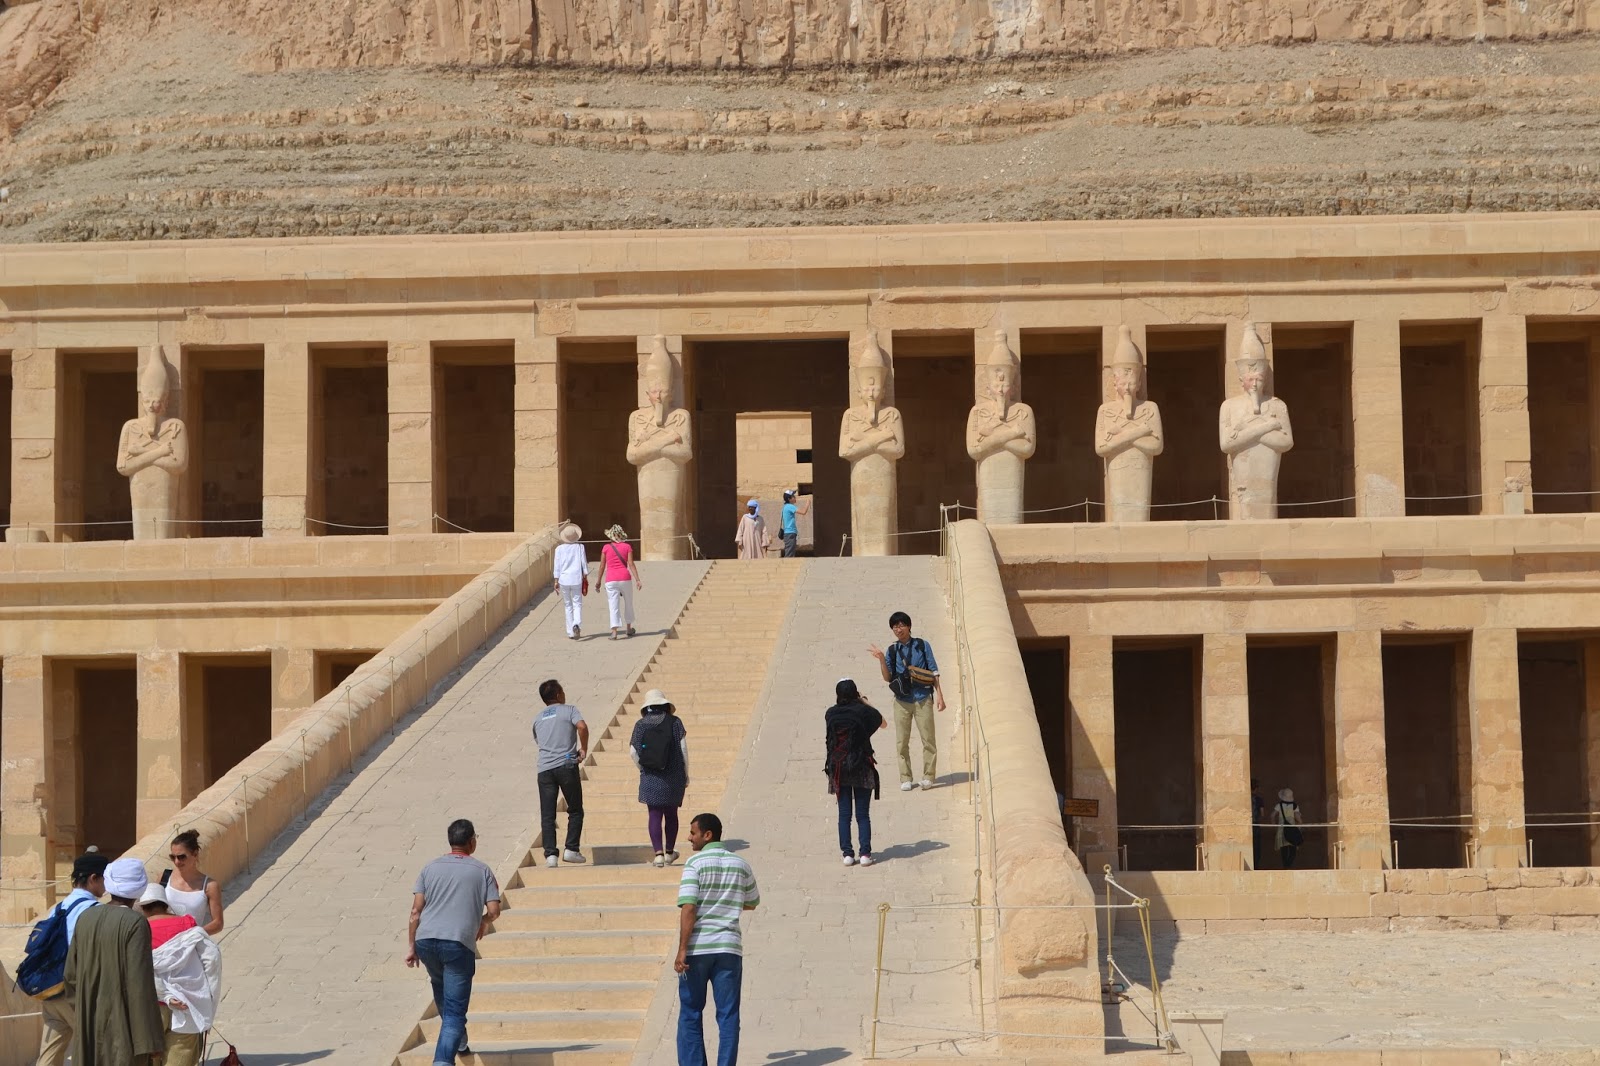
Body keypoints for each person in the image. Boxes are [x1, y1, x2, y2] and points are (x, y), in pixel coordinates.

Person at [406, 819, 502, 1066]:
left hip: (426, 941)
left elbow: (415, 911)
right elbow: (493, 910)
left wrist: (411, 947)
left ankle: (460, 1041)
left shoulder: (430, 868)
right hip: (458, 944)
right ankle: (442, 1060)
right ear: (472, 842)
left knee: (441, 987)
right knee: (455, 1013)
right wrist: (482, 922)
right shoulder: (482, 871)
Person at [675, 813, 760, 1066]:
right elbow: (752, 902)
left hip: (698, 949)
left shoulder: (695, 864)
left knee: (690, 1012)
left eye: (693, 833)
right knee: (728, 1015)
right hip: (729, 949)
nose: (689, 838)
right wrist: (727, 904)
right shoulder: (741, 864)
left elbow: (688, 907)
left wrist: (682, 949)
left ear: (707, 834)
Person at [65, 857, 164, 1066]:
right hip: (123, 1027)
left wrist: (86, 1011)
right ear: (140, 887)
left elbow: (70, 975)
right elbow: (140, 985)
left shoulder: (86, 917)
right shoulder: (135, 923)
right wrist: (150, 1040)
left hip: (89, 1025)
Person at [37, 850, 109, 1066]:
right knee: (97, 1050)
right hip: (74, 992)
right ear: (93, 878)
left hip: (51, 989)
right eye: (105, 878)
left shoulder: (59, 907)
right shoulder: (94, 910)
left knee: (50, 1054)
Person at [138, 884, 220, 1066]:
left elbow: (137, 967)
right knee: (181, 1056)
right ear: (166, 905)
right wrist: (209, 1003)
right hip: (187, 1001)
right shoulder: (187, 924)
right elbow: (211, 960)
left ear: (143, 907)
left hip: (150, 1005)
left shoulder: (139, 929)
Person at [869, 611, 947, 792]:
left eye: (901, 625)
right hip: (902, 701)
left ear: (909, 626)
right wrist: (881, 659)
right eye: (895, 626)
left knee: (928, 739)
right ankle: (905, 777)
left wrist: (940, 696)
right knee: (901, 741)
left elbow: (934, 671)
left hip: (922, 698)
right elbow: (887, 677)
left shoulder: (922, 645)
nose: (898, 629)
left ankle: (928, 776)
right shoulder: (892, 650)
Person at [825, 679, 886, 867]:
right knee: (862, 814)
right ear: (855, 693)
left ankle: (847, 854)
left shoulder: (830, 713)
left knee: (844, 814)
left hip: (839, 768)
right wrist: (863, 701)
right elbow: (882, 722)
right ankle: (865, 854)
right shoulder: (863, 711)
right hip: (861, 766)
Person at [631, 689, 691, 869]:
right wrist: (685, 774)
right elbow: (683, 750)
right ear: (664, 704)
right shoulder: (675, 722)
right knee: (671, 815)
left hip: (651, 776)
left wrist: (643, 768)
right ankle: (670, 852)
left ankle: (658, 854)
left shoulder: (640, 725)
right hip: (673, 776)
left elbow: (633, 752)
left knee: (654, 814)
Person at [535, 679, 589, 868]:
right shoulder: (569, 710)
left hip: (544, 769)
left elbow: (539, 740)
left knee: (547, 814)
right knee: (575, 809)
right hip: (566, 765)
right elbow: (582, 727)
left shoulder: (538, 718)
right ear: (558, 694)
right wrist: (583, 749)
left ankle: (551, 855)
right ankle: (571, 849)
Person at [163, 830, 223, 936]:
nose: (177, 862)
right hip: (163, 945)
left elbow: (218, 923)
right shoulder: (164, 878)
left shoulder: (210, 886)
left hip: (191, 946)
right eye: (173, 857)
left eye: (181, 857)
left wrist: (192, 935)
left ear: (195, 854)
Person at [598, 524, 642, 639]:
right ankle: (628, 628)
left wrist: (598, 581)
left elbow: (602, 566)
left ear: (611, 537)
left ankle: (614, 632)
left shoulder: (606, 547)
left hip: (611, 579)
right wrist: (637, 579)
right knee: (628, 603)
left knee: (613, 605)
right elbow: (631, 563)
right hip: (625, 578)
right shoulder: (627, 547)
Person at [552, 522, 590, 640]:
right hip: (576, 578)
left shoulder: (559, 549)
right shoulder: (580, 547)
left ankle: (570, 632)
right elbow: (584, 563)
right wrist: (585, 576)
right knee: (577, 603)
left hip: (564, 579)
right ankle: (576, 624)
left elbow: (557, 566)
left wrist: (556, 580)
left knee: (568, 605)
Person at [1274, 788, 1304, 868]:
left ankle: (1285, 868)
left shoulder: (1279, 805)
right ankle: (1287, 867)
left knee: (1284, 851)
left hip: (1281, 830)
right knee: (1292, 852)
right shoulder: (1294, 806)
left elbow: (1272, 815)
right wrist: (1300, 825)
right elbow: (1298, 817)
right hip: (1292, 830)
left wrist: (1274, 825)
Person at [779, 490, 809, 558]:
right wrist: (807, 503)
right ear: (789, 499)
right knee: (789, 555)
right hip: (790, 533)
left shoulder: (785, 506)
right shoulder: (790, 506)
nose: (795, 498)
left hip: (788, 533)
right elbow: (803, 512)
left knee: (790, 553)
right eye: (793, 496)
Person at [1250, 779, 1266, 871]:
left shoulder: (1245, 798)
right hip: (1255, 825)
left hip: (1248, 825)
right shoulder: (1259, 799)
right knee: (1256, 847)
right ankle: (1256, 866)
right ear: (1256, 788)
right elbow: (1262, 814)